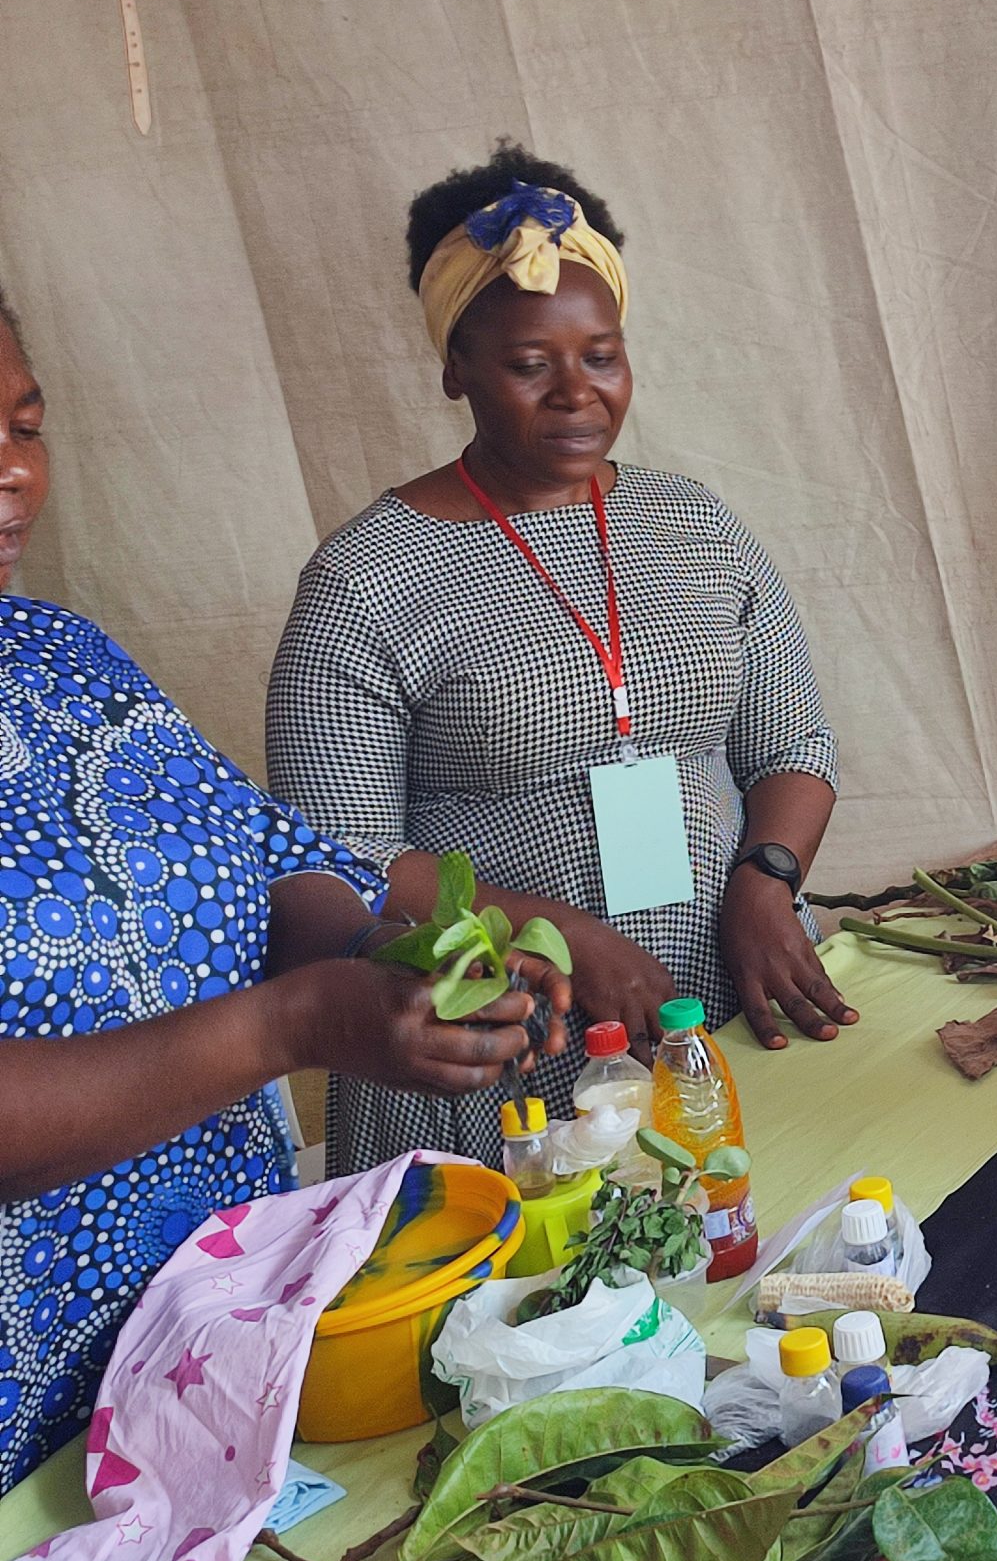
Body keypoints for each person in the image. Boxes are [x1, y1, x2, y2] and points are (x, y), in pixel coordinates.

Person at [0, 282, 565, 1491]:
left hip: (221, 1357)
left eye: (25, 427)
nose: (12, 472)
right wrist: (294, 1024)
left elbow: (268, 858)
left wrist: (396, 963)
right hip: (28, 1437)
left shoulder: (60, 654)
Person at [267, 145, 846, 1178]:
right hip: (500, 1045)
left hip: (714, 1000)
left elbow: (792, 744)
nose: (578, 394)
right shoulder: (367, 578)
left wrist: (768, 880)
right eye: (531, 364)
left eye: (602, 356)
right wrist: (563, 933)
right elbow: (336, 859)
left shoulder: (695, 526)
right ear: (456, 368)